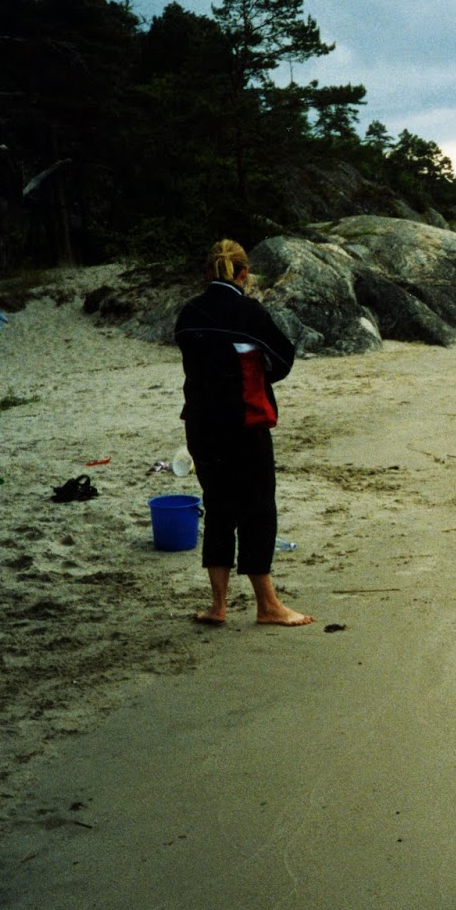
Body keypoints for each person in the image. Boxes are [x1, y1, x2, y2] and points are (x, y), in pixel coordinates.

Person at [173, 239, 311, 627]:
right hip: (243, 422)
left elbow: (191, 355)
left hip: (200, 422)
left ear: (207, 272)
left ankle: (218, 606)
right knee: (257, 509)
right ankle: (267, 605)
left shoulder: (190, 312)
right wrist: (255, 370)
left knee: (218, 508)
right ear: (243, 274)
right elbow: (283, 358)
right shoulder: (248, 311)